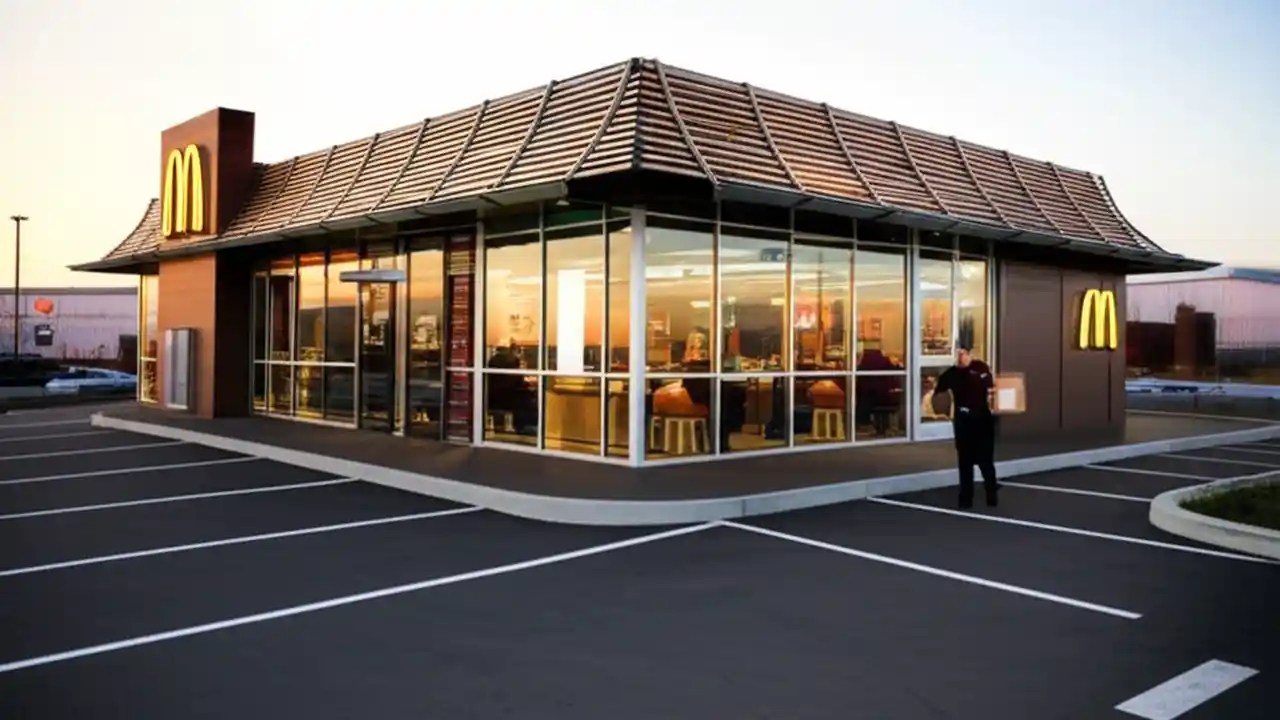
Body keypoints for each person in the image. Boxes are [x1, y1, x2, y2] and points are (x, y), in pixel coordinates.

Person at [934, 347, 998, 509]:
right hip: (963, 421)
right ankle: (965, 498)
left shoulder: (980, 368)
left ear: (970, 355)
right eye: (958, 354)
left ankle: (991, 494)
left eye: (964, 354)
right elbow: (940, 391)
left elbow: (991, 386)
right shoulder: (951, 374)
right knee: (965, 461)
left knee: (985, 460)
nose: (961, 357)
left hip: (982, 420)